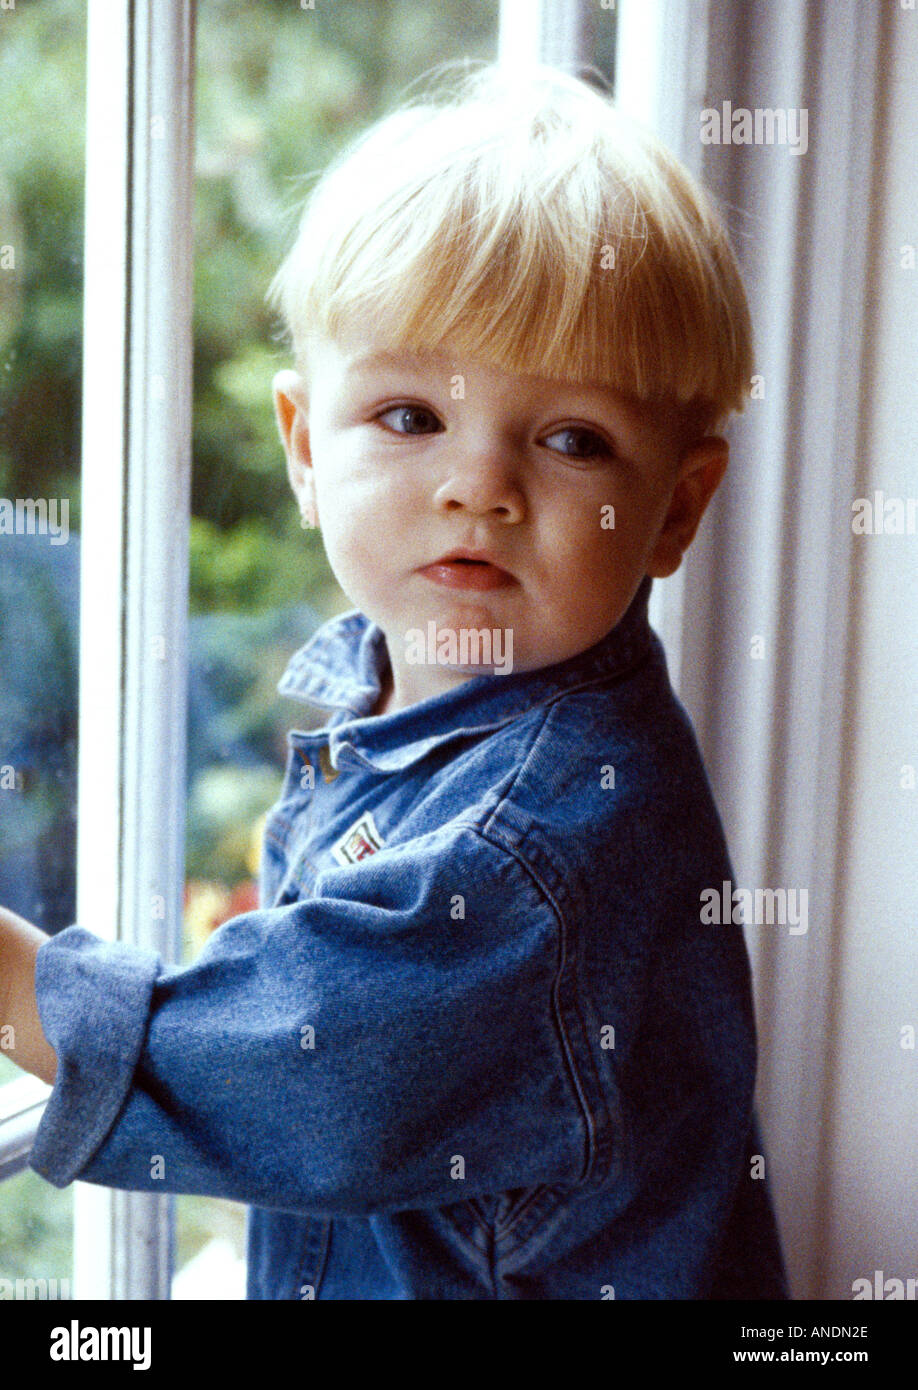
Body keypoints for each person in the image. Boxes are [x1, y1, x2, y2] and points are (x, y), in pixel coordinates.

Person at [0, 63, 789, 1299]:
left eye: (572, 439)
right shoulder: (423, 697)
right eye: (413, 415)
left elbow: (306, 1077)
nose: (480, 483)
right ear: (307, 449)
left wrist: (13, 985)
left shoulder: (536, 842)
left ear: (676, 506)